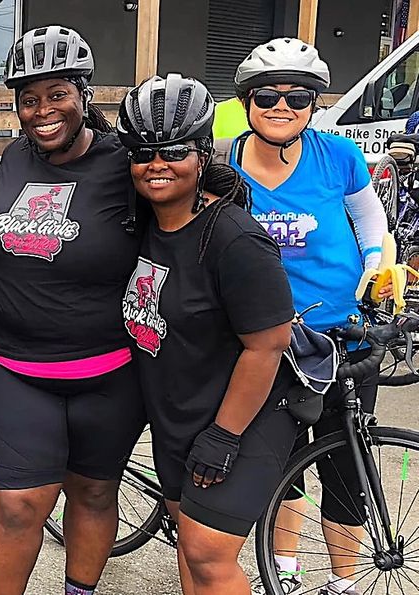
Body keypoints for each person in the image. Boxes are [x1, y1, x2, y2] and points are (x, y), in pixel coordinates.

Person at [0, 26, 147, 595]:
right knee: (20, 504)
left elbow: (188, 211)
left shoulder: (126, 165)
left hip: (109, 372)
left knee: (95, 492)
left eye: (57, 94)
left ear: (84, 94)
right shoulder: (12, 159)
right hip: (13, 368)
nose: (43, 109)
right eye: (29, 98)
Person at [117, 73, 298, 595]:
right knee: (188, 547)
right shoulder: (146, 223)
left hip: (246, 414)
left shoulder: (235, 238)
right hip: (179, 412)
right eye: (143, 152)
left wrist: (225, 435)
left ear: (201, 154)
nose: (157, 163)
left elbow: (268, 344)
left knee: (207, 551)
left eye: (173, 151)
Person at [224, 38, 389, 595]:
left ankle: (344, 580)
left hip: (342, 335)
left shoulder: (338, 155)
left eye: (298, 97)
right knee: (281, 460)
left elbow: (372, 227)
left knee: (345, 466)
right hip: (265, 340)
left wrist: (376, 266)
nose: (281, 106)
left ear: (314, 105)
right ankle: (286, 571)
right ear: (246, 100)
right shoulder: (222, 164)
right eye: (267, 95)